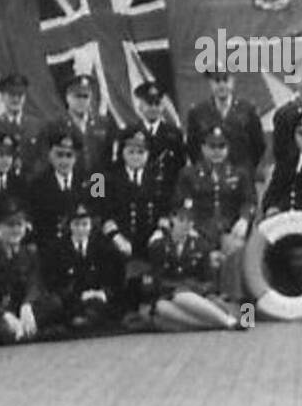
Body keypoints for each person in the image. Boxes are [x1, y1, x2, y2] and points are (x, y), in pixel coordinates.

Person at [173, 124, 256, 302]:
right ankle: (205, 303)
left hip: (229, 229)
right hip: (200, 229)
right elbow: (182, 205)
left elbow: (249, 200)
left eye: (221, 147)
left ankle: (236, 304)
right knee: (198, 251)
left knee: (235, 248)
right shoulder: (189, 174)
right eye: (212, 147)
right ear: (203, 148)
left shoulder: (239, 173)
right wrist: (189, 228)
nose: (217, 151)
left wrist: (244, 219)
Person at [0, 197, 61, 344]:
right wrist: (5, 315)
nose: (15, 230)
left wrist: (27, 305)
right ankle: (28, 333)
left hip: (19, 307)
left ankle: (22, 331)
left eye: (19, 225)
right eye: (10, 225)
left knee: (54, 302)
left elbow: (34, 284)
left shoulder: (30, 253)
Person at [99, 128, 167, 313]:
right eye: (131, 152)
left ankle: (156, 301)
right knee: (110, 253)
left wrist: (159, 232)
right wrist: (116, 236)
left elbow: (165, 209)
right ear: (122, 153)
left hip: (149, 238)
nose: (136, 156)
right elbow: (101, 211)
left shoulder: (159, 177)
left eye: (140, 152)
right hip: (121, 237)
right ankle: (116, 305)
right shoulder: (105, 178)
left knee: (159, 248)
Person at [145, 198, 240, 331]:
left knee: (182, 298)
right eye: (181, 220)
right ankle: (215, 324)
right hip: (168, 294)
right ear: (172, 220)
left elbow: (208, 279)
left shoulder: (200, 245)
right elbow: (156, 278)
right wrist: (175, 288)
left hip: (195, 294)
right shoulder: (158, 246)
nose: (186, 225)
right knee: (162, 308)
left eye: (190, 221)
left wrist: (191, 288)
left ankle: (227, 321)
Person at [45, 202, 126, 332]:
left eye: (85, 224)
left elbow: (115, 276)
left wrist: (103, 292)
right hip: (72, 300)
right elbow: (54, 282)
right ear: (70, 226)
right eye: (76, 224)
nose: (81, 229)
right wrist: (78, 296)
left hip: (98, 297)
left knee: (101, 310)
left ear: (91, 225)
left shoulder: (104, 246)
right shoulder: (58, 249)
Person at [38, 73, 120, 181]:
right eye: (77, 96)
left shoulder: (103, 124)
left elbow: (108, 160)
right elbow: (46, 160)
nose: (81, 101)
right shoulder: (55, 126)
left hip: (97, 182)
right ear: (68, 97)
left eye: (85, 96)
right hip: (69, 182)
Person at [186, 71, 265, 173]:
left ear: (233, 81)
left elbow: (258, 146)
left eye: (226, 80)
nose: (222, 85)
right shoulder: (198, 112)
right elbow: (193, 148)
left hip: (242, 178)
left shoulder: (248, 110)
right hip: (209, 180)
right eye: (217, 81)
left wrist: (246, 170)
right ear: (210, 82)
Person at [26, 128, 91, 250]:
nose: (64, 161)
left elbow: (98, 214)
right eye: (59, 155)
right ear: (50, 155)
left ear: (76, 157)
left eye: (69, 155)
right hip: (49, 248)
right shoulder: (36, 184)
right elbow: (35, 221)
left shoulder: (93, 180)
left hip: (82, 246)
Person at [131, 80, 186, 204]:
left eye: (157, 103)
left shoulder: (174, 134)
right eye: (149, 104)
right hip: (138, 198)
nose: (153, 108)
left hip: (167, 198)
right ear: (140, 106)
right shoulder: (129, 134)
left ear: (162, 106)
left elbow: (180, 169)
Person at [0, 71, 42, 177]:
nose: (16, 99)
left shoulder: (37, 125)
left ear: (25, 97)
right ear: (2, 97)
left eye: (20, 95)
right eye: (11, 95)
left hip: (33, 185)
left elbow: (43, 159)